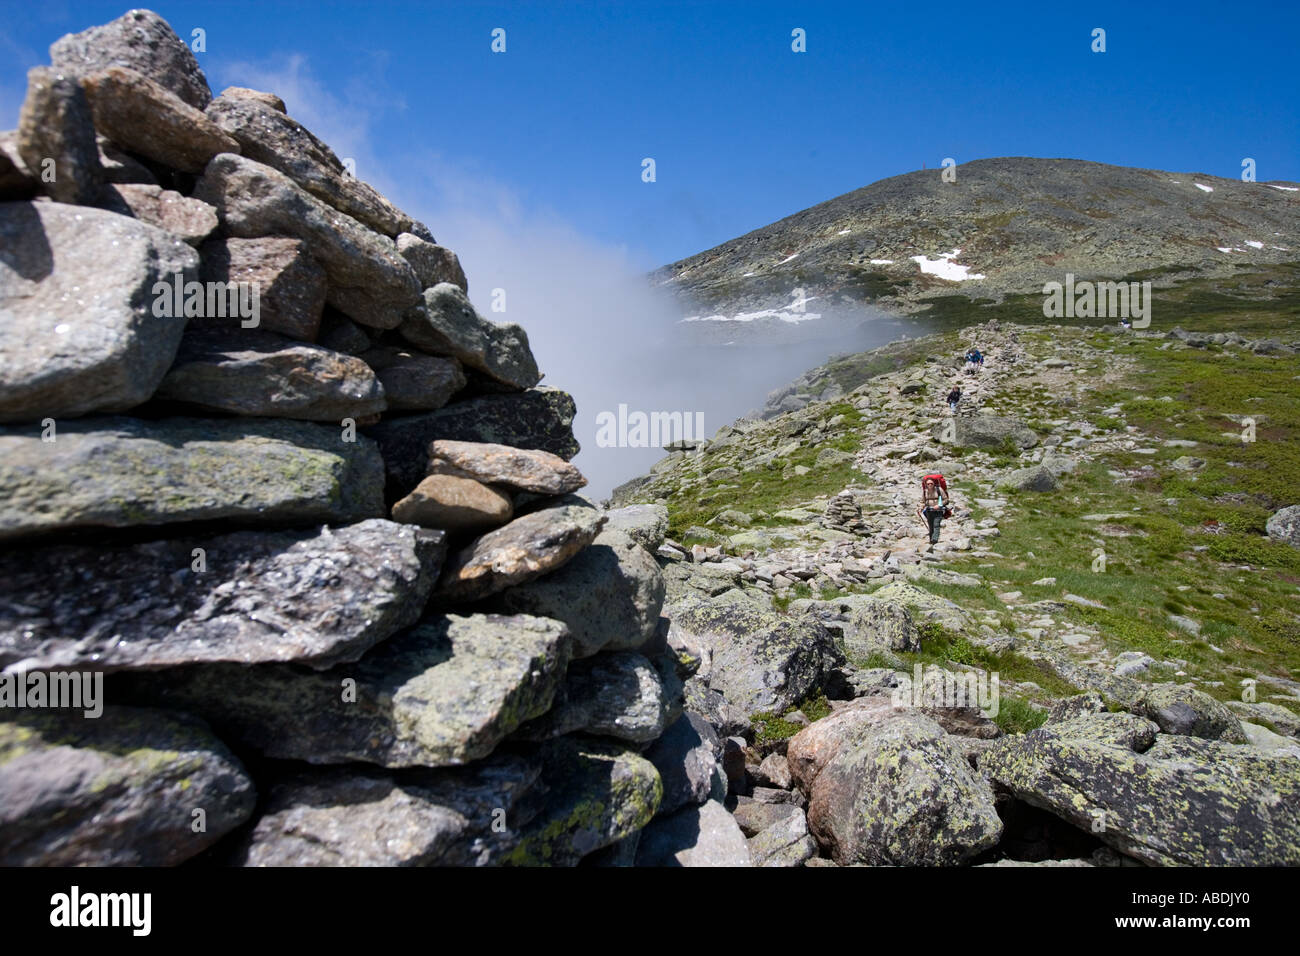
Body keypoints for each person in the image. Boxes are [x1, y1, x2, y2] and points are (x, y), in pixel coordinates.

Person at [917, 474, 952, 551]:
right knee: (931, 525)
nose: (930, 485)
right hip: (929, 511)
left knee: (936, 524)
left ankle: (934, 540)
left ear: (934, 484)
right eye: (928, 484)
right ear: (926, 484)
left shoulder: (939, 490)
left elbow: (946, 500)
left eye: (931, 483)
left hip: (938, 510)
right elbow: (923, 501)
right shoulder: (925, 492)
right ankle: (931, 541)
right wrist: (920, 508)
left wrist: (939, 505)